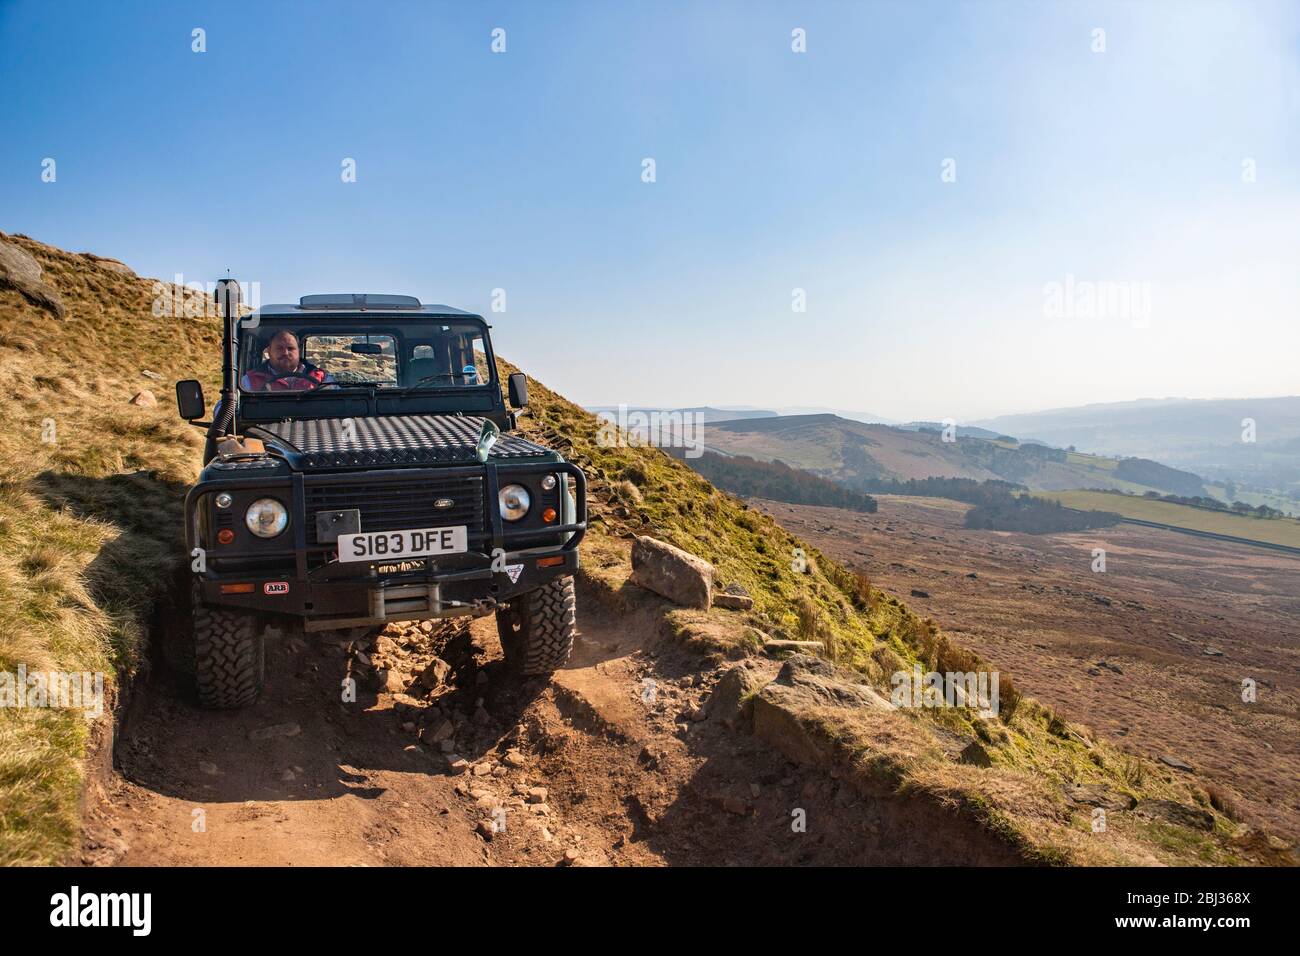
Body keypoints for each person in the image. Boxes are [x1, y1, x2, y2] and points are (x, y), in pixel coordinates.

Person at [240, 330, 336, 391]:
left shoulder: (321, 378)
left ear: (299, 351)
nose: (285, 353)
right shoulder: (249, 381)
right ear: (269, 351)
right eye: (279, 348)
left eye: (290, 348)